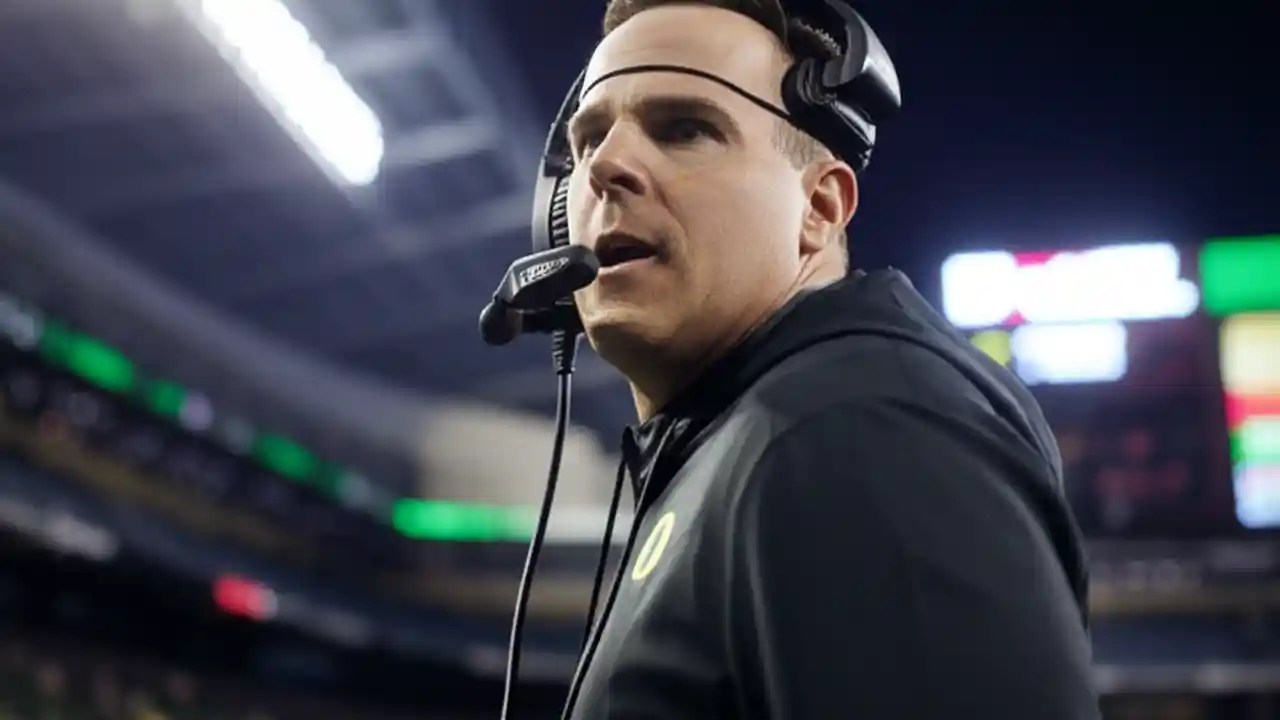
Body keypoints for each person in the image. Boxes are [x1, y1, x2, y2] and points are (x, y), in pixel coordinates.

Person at [558, 1, 1101, 717]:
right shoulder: (752, 439)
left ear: (819, 207)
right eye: (588, 141)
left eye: (684, 128)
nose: (606, 169)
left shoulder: (860, 425)